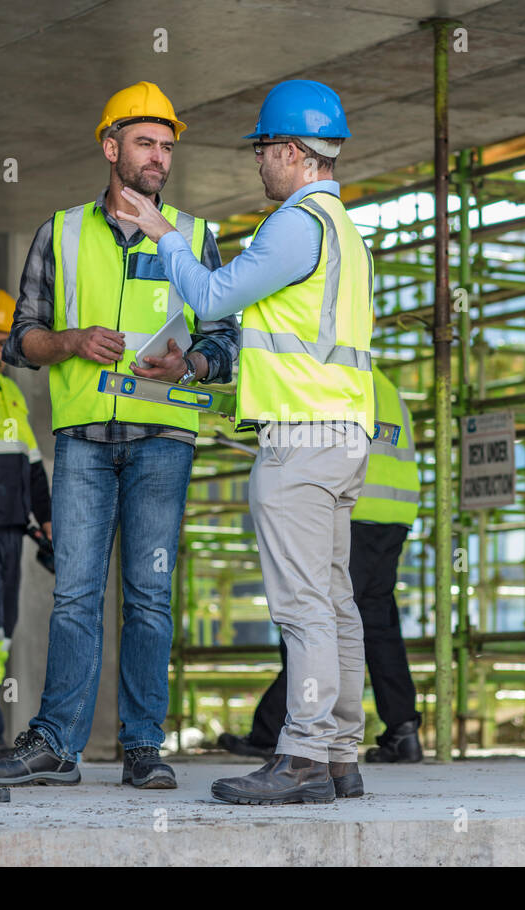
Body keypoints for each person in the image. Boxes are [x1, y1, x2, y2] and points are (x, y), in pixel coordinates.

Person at [117, 79, 375, 804]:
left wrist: (164, 236)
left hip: (300, 444)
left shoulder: (297, 223)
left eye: (263, 150)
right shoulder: (345, 234)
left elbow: (210, 297)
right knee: (334, 603)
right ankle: (338, 757)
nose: (259, 163)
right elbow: (292, 346)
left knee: (303, 607)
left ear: (293, 152)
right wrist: (204, 372)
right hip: (339, 432)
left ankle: (299, 756)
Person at [0, 81, 239, 788]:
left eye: (167, 146)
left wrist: (187, 360)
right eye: (146, 143)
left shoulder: (193, 238)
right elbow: (21, 341)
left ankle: (142, 748)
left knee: (149, 597)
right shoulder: (60, 232)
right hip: (83, 440)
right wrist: (69, 340)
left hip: (164, 438)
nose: (160, 157)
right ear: (111, 148)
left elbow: (224, 341)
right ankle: (57, 746)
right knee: (74, 595)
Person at [218, 367, 423, 767]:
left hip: (352, 508)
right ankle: (403, 729)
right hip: (396, 513)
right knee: (375, 624)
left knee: (313, 613)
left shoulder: (336, 376)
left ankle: (276, 732)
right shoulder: (386, 386)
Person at [0, 288, 52, 757]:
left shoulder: (10, 393)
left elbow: (31, 463)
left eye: (3, 343)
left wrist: (46, 521)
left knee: (3, 628)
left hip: (11, 529)